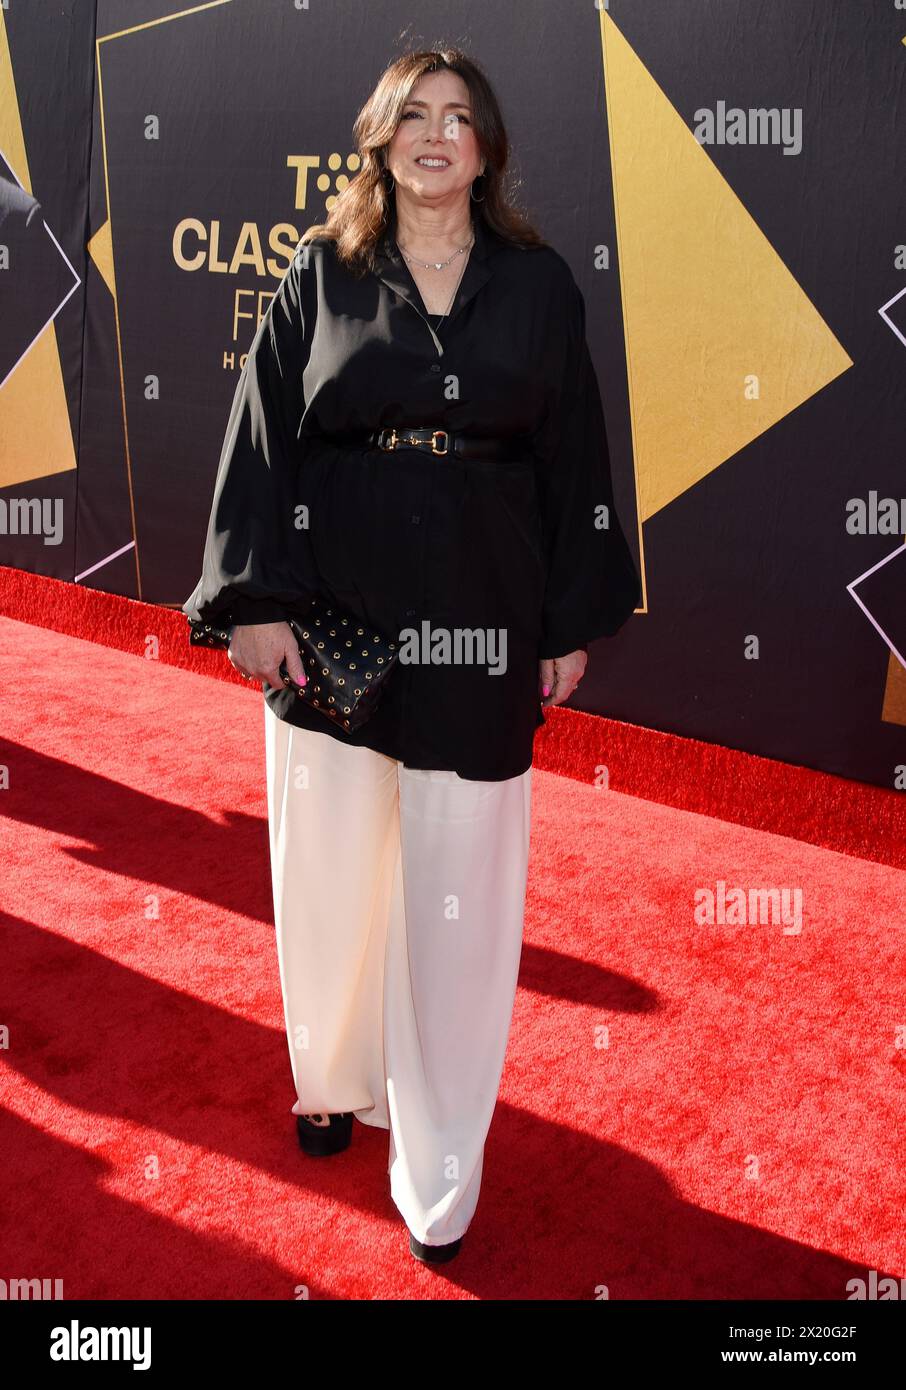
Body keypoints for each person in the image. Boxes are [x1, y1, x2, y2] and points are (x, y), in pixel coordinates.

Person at [182, 47, 640, 1265]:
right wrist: (253, 606)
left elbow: (578, 466)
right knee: (329, 869)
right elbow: (260, 442)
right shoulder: (319, 276)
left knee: (462, 897)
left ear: (486, 148)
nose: (437, 136)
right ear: (378, 139)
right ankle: (331, 1079)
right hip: (329, 612)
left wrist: (568, 622)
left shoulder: (540, 288)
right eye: (414, 117)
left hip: (487, 623)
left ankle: (438, 1158)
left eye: (460, 119)